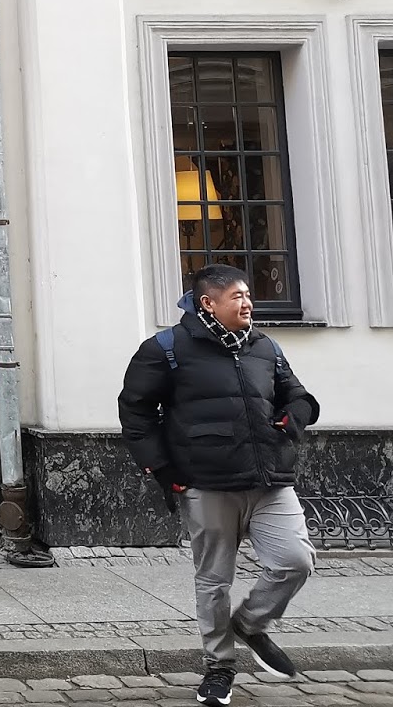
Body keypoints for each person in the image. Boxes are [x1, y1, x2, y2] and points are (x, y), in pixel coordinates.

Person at [118, 264, 320, 707]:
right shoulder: (164, 350)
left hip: (269, 479)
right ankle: (219, 667)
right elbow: (134, 414)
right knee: (213, 582)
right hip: (205, 484)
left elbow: (298, 395)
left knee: (296, 560)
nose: (248, 303)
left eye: (249, 295)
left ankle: (250, 623)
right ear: (209, 302)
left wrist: (298, 415)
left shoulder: (265, 346)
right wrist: (163, 471)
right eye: (239, 296)